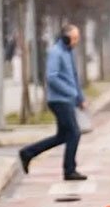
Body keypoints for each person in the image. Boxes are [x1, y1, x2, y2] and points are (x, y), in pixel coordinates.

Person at [18, 24, 87, 181]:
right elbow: (52, 77)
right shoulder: (56, 53)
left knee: (63, 136)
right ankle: (69, 170)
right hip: (58, 100)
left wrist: (80, 98)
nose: (76, 41)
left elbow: (74, 78)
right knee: (74, 133)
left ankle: (28, 152)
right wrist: (71, 93)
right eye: (74, 38)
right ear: (66, 37)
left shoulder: (69, 53)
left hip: (68, 99)